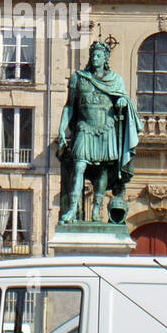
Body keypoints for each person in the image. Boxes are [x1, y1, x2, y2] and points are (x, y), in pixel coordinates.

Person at [56, 39, 142, 224]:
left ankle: (96, 209)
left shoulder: (116, 80)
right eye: (93, 54)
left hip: (107, 129)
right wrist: (62, 128)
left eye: (99, 55)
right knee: (78, 167)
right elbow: (69, 106)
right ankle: (72, 209)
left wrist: (122, 102)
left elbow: (125, 101)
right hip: (84, 129)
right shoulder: (78, 78)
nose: (95, 58)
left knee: (103, 170)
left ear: (105, 58)